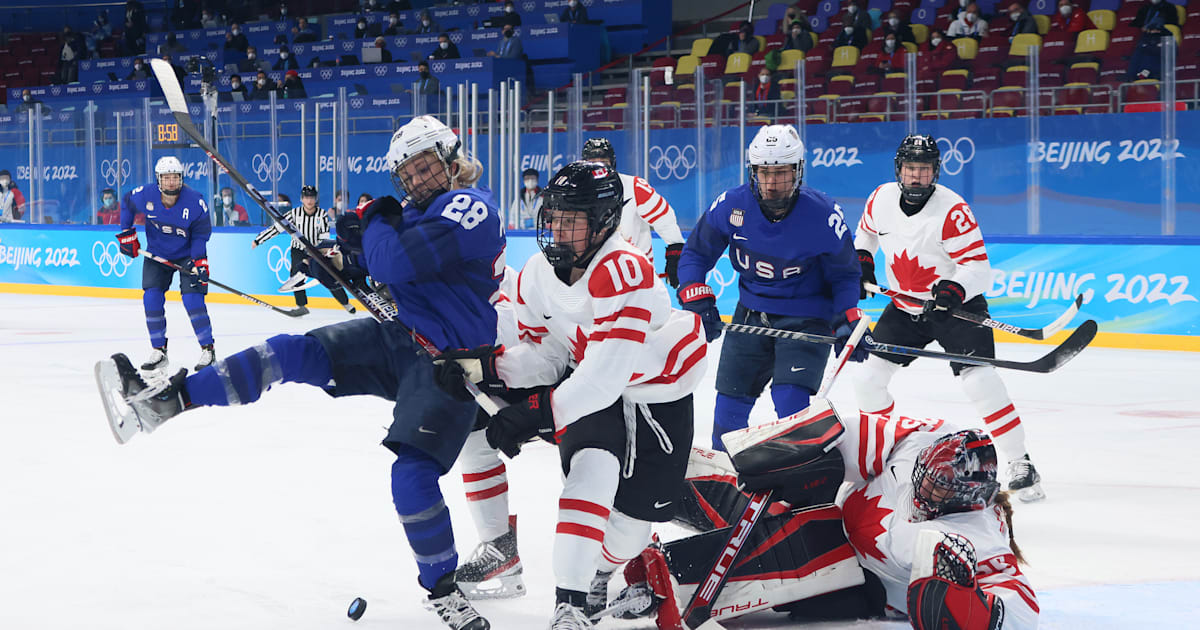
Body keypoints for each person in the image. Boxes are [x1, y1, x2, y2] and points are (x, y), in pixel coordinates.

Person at [96, 116, 500, 630]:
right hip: (403, 339)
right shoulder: (424, 212)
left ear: (451, 157)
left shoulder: (472, 205)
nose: (418, 180)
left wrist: (373, 219)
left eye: (425, 167)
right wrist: (343, 259)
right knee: (289, 353)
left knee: (411, 476)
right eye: (408, 175)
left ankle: (443, 590)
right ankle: (169, 401)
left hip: (449, 364)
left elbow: (396, 262)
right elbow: (389, 269)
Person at [435, 161, 705, 628]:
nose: (557, 229)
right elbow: (552, 358)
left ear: (603, 221)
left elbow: (605, 379)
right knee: (591, 470)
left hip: (657, 392)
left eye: (572, 219)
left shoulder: (626, 271)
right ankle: (571, 604)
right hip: (588, 384)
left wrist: (535, 412)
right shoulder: (539, 274)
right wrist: (485, 366)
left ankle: (608, 566)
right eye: (553, 216)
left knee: (630, 528)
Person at [609, 401, 1038, 629]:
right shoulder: (921, 440)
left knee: (799, 547)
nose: (924, 490)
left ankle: (669, 578)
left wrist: (974, 612)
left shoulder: (979, 534)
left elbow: (1021, 610)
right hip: (830, 509)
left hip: (859, 577)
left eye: (940, 489)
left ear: (970, 495)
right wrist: (788, 449)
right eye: (926, 478)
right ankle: (632, 474)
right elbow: (846, 430)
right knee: (715, 479)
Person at [852, 134, 1045, 502]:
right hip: (907, 305)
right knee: (867, 380)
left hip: (956, 308)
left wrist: (952, 290)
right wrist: (862, 258)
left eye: (924, 170)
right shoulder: (880, 199)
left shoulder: (952, 210)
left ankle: (1021, 461)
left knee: (979, 381)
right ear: (899, 170)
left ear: (935, 172)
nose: (916, 178)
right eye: (910, 169)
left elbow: (978, 268)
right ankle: (887, 454)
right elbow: (866, 234)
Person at [675, 124, 863, 450]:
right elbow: (695, 253)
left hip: (807, 318)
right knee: (727, 417)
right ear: (753, 171)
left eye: (782, 173)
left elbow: (845, 275)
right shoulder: (730, 205)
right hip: (749, 315)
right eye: (764, 172)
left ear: (798, 171)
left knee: (792, 410)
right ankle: (725, 486)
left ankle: (797, 487)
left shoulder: (822, 214)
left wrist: (848, 318)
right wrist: (693, 292)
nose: (773, 183)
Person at [114, 156, 215, 372]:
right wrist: (127, 234)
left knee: (192, 300)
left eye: (175, 177)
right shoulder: (145, 195)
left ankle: (208, 349)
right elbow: (126, 202)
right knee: (151, 298)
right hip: (157, 255)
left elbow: (200, 235)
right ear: (158, 179)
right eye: (166, 177)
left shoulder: (196, 202)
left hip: (187, 255)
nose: (171, 182)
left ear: (181, 179)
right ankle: (159, 351)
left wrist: (200, 262)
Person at [581, 137, 686, 289]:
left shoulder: (634, 187)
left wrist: (675, 251)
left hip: (638, 278)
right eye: (593, 163)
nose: (599, 168)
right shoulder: (578, 193)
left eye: (604, 163)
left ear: (613, 163)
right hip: (595, 277)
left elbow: (665, 220)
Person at [252, 185, 353, 315]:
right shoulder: (294, 214)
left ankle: (345, 302)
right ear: (301, 199)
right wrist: (258, 240)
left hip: (317, 250)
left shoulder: (322, 214)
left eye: (311, 197)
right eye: (306, 197)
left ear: (315, 199)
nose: (309, 200)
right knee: (296, 275)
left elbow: (324, 237)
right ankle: (301, 306)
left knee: (329, 273)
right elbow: (277, 228)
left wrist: (318, 253)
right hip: (298, 250)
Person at [1127, 0, 1178, 80]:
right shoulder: (1145, 38)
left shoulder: (1168, 37)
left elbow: (1169, 57)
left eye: (1154, 29)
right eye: (1151, 29)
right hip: (1143, 73)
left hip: (1158, 74)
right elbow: (1136, 59)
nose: (1153, 31)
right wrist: (1131, 75)